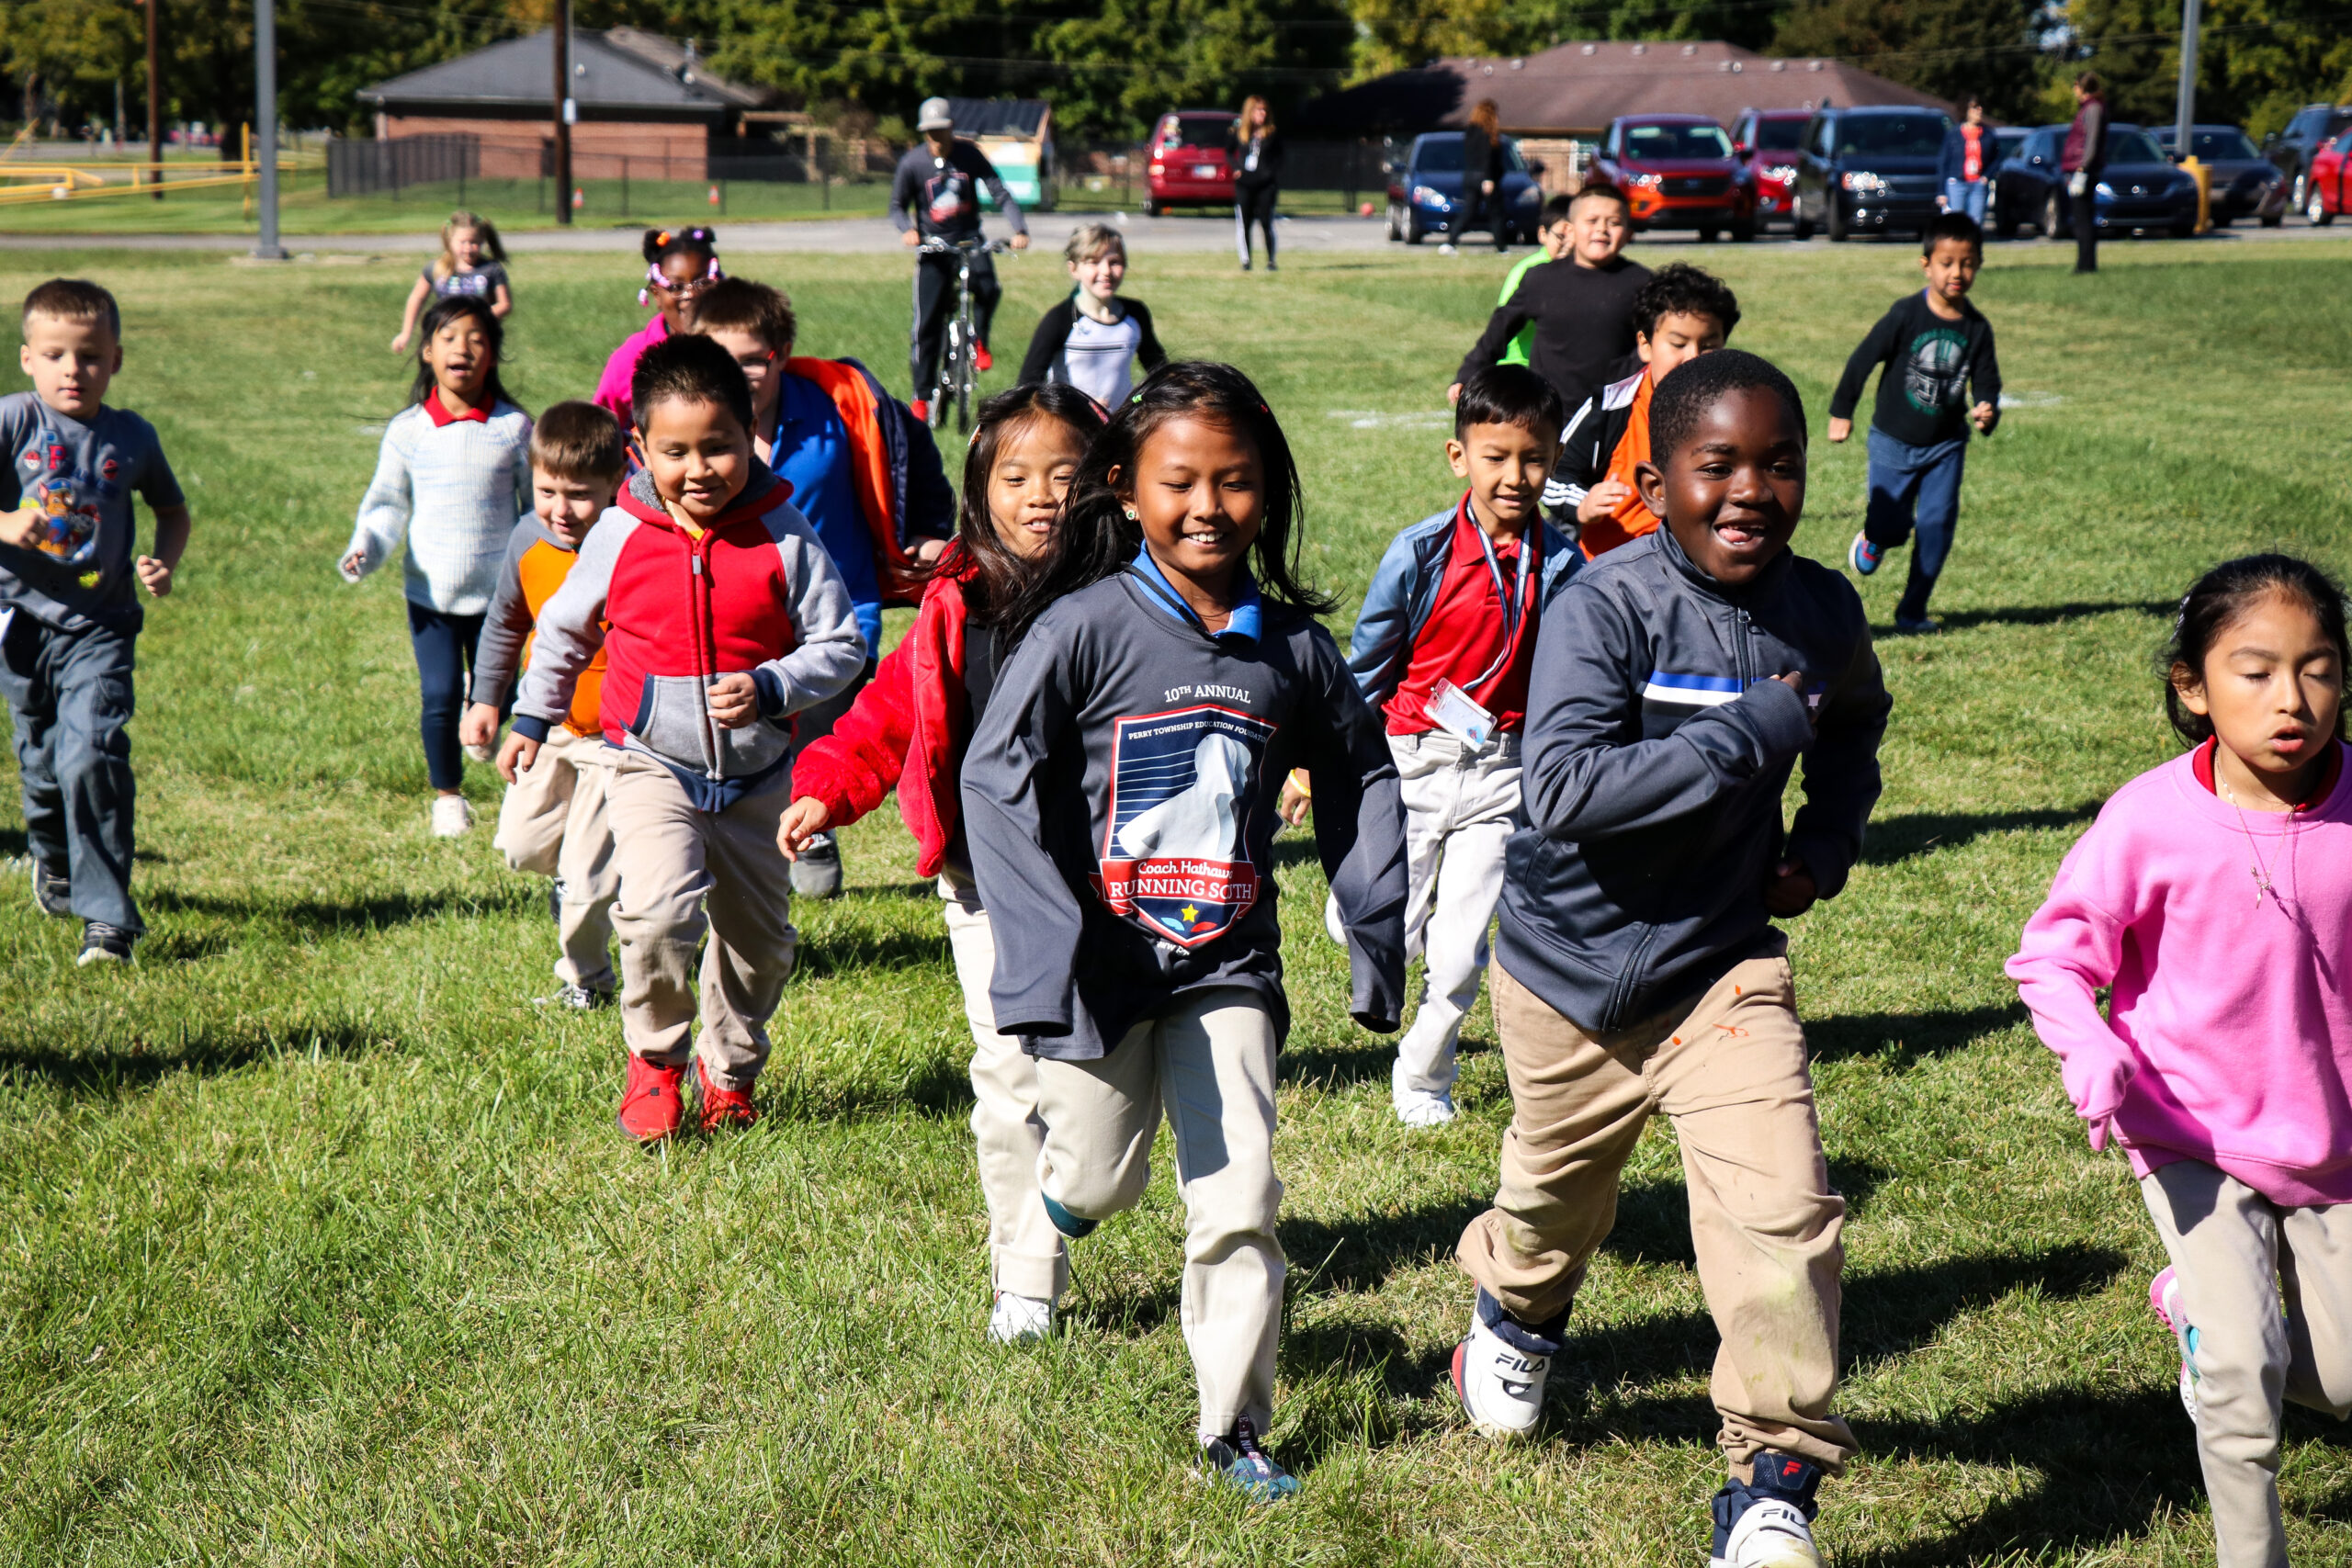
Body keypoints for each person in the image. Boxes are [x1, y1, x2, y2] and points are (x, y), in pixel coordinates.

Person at [1450, 350, 1889, 1568]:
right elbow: (1569, 785)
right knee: (1557, 1200)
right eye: (1720, 465)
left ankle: (1772, 1478)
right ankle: (1516, 1301)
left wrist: (1829, 834)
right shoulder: (1607, 603)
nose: (1753, 490)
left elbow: (1854, 715)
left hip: (1719, 966)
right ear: (1654, 480)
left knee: (1784, 1210)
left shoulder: (1819, 612)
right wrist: (1759, 730)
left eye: (1780, 464)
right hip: (1564, 975)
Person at [961, 362, 1407, 1502]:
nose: (1208, 506)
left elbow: (1361, 771)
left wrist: (1373, 923)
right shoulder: (1080, 627)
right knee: (1101, 1183)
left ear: (1270, 492)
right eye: (1180, 483)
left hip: (1229, 963)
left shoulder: (1293, 650)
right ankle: (1045, 1230)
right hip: (1100, 966)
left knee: (1240, 1197)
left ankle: (1235, 1427)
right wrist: (1042, 935)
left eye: (1237, 483)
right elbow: (995, 776)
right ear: (1125, 487)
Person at [2008, 554, 2352, 1568]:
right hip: (2190, 1130)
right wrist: (2091, 1050)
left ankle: (2189, 1312)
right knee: (2245, 1383)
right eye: (2254, 670)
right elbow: (2052, 957)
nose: (2291, 699)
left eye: (2319, 667)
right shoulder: (2151, 819)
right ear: (2191, 688)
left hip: (2331, 1145)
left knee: (2337, 1382)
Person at [781, 382, 1105, 1345]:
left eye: (1066, 473)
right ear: (980, 490)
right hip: (983, 883)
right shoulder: (956, 602)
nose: (1042, 495)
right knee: (1007, 1082)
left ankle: (1085, 1197)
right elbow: (887, 714)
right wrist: (825, 785)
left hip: (1106, 887)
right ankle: (1023, 1276)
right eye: (1016, 476)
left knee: (1091, 1103)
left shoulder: (1131, 597)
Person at [500, 334, 864, 1142]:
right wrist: (533, 714)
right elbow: (562, 628)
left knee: (759, 944)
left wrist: (773, 685)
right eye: (676, 452)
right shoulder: (621, 532)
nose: (700, 469)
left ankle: (728, 1072)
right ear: (641, 450)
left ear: (750, 438)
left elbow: (842, 646)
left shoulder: (784, 529)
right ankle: (656, 1062)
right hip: (649, 761)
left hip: (759, 774)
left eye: (719, 446)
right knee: (659, 912)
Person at [1304, 365, 1575, 1128]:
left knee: (1460, 955)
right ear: (1460, 458)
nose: (1514, 476)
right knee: (1366, 916)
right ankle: (1383, 922)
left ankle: (1425, 1077)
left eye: (1532, 457)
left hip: (1502, 773)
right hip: (1412, 761)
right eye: (1496, 457)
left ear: (1553, 460)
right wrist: (1321, 761)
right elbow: (1366, 667)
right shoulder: (1420, 551)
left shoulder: (1565, 565)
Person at [686, 276, 956, 897]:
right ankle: (741, 837)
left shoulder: (836, 407)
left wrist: (926, 531)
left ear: (780, 352)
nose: (740, 373)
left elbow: (909, 450)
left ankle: (812, 819)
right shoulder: (697, 433)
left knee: (816, 720)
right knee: (745, 736)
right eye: (723, 360)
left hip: (839, 611)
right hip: (740, 611)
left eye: (754, 359)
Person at [0, 278, 191, 965]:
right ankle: (52, 855)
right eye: (55, 355)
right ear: (28, 358)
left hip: (101, 625)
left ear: (115, 359)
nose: (71, 370)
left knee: (92, 754)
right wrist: (7, 521)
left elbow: (173, 511)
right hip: (19, 624)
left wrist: (162, 564)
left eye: (88, 356)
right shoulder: (13, 422)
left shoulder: (131, 436)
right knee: (43, 764)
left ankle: (107, 918)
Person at [342, 294, 533, 839]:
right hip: (431, 596)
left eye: (477, 339)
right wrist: (366, 549)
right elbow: (386, 508)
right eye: (449, 338)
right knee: (440, 696)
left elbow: (535, 508)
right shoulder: (408, 432)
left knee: (508, 693)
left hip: (500, 598)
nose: (463, 349)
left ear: (492, 355)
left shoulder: (514, 429)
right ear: (427, 351)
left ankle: (493, 728)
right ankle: (448, 797)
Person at [458, 401, 628, 1010]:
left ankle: (587, 981)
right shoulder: (529, 537)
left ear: (617, 482)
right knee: (522, 844)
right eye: (547, 490)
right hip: (549, 724)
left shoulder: (633, 544)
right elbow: (505, 623)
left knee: (587, 881)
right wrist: (486, 698)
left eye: (580, 494)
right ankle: (597, 877)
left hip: (619, 740)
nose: (561, 509)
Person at [1832, 211, 2001, 634]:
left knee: (1936, 524)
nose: (1956, 273)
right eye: (1947, 263)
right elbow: (1863, 358)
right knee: (1891, 524)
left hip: (1944, 445)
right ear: (1926, 264)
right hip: (1892, 438)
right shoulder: (1905, 315)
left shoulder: (1977, 329)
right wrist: (1842, 410)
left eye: (1967, 263)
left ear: (1978, 264)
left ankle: (1912, 610)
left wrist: (1986, 408)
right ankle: (1875, 538)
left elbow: (1987, 380)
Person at [1549, 262, 1740, 560]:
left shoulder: (1736, 414)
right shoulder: (1613, 406)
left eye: (1708, 345)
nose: (1692, 357)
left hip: (1698, 571)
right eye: (1678, 343)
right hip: (1609, 572)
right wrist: (1584, 504)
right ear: (1646, 345)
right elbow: (1552, 475)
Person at [1452, 183, 1649, 418]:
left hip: (1617, 414)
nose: (1602, 229)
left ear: (1628, 234)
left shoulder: (1643, 283)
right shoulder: (1541, 278)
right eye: (1592, 220)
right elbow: (1499, 329)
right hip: (1551, 416)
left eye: (1614, 223)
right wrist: (1468, 372)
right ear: (1571, 229)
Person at [892, 97, 1030, 420]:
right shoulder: (913, 163)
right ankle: (921, 396)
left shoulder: (969, 155)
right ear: (923, 133)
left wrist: (1019, 228)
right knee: (926, 324)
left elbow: (1000, 192)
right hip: (934, 249)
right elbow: (896, 205)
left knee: (988, 288)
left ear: (952, 128)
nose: (937, 137)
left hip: (970, 242)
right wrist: (908, 229)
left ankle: (979, 340)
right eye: (930, 132)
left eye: (941, 130)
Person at [1018, 223, 1169, 408]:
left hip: (1122, 426)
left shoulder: (1135, 314)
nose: (1106, 271)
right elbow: (1027, 386)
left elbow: (1160, 372)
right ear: (1073, 269)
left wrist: (1141, 400)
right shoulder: (1059, 319)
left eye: (1114, 262)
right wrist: (1077, 407)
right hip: (1072, 429)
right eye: (1094, 262)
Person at [594, 227, 721, 436]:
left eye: (702, 283)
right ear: (656, 295)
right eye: (675, 287)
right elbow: (602, 430)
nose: (690, 294)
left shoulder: (738, 347)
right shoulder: (630, 358)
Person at [391, 210, 512, 354]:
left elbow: (505, 305)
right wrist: (406, 333)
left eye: (474, 243)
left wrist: (475, 318)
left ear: (482, 241)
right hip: (443, 338)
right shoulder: (437, 269)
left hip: (478, 338)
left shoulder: (491, 270)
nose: (468, 248)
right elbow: (417, 298)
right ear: (449, 241)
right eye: (462, 242)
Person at [1497, 195, 1577, 368]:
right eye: (1562, 236)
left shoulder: (1582, 270)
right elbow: (1504, 322)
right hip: (1521, 365)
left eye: (1575, 237)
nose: (1569, 244)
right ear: (1543, 234)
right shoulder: (1528, 271)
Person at [2062, 73, 2109, 275]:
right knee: (2080, 217)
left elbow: (2092, 140)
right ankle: (2084, 262)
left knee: (2083, 218)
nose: (2074, 90)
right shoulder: (2087, 109)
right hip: (2078, 169)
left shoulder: (2093, 109)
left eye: (2076, 86)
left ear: (2082, 87)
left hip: (2084, 171)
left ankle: (2086, 264)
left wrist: (2083, 166)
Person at [1230, 96, 1283, 271]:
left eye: (1265, 110)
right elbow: (1228, 152)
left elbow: (1280, 157)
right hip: (1245, 184)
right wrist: (1236, 168)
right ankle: (1246, 261)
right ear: (1250, 112)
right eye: (1259, 110)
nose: (1263, 113)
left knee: (1266, 222)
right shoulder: (1239, 132)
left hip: (1265, 184)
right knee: (1244, 223)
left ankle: (1271, 261)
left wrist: (1270, 173)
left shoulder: (1272, 132)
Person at [1455, 97, 1510, 255]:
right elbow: (1486, 157)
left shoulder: (1470, 131)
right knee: (1496, 213)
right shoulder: (1487, 133)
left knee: (1468, 212)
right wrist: (1488, 179)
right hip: (1485, 178)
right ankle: (1501, 247)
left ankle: (1450, 242)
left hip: (1470, 177)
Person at [1938, 98, 1992, 226]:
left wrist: (1987, 175)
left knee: (1975, 222)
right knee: (1956, 222)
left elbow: (1996, 158)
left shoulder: (1988, 134)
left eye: (1980, 108)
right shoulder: (1954, 134)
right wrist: (1941, 192)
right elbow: (1943, 162)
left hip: (1977, 184)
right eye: (1975, 108)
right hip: (1957, 183)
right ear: (1966, 111)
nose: (1979, 111)